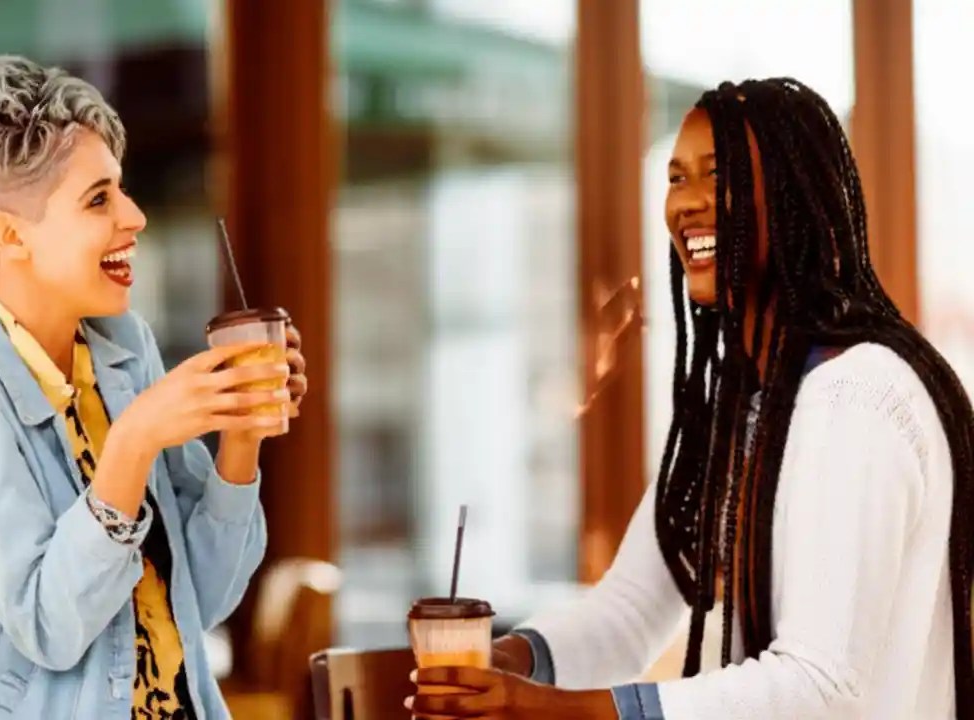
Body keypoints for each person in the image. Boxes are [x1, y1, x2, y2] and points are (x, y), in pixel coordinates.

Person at [409, 78, 974, 719]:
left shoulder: (857, 396)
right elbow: (629, 611)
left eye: (721, 174)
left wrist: (564, 711)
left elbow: (820, 687)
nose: (691, 203)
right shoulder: (747, 408)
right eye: (677, 178)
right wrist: (508, 664)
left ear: (792, 198)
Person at [0, 56, 308, 719]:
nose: (135, 217)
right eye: (98, 199)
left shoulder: (124, 350)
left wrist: (240, 437)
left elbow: (202, 597)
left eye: (121, 189)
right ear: (10, 235)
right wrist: (135, 440)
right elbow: (49, 625)